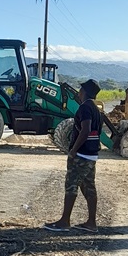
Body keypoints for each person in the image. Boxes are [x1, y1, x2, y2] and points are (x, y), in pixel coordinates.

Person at [44, 78, 103, 233]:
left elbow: (85, 129)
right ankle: (91, 223)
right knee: (89, 187)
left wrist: (74, 150)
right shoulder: (96, 109)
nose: (79, 92)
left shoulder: (84, 108)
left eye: (80, 90)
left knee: (71, 185)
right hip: (92, 154)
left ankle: (64, 221)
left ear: (84, 92)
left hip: (82, 154)